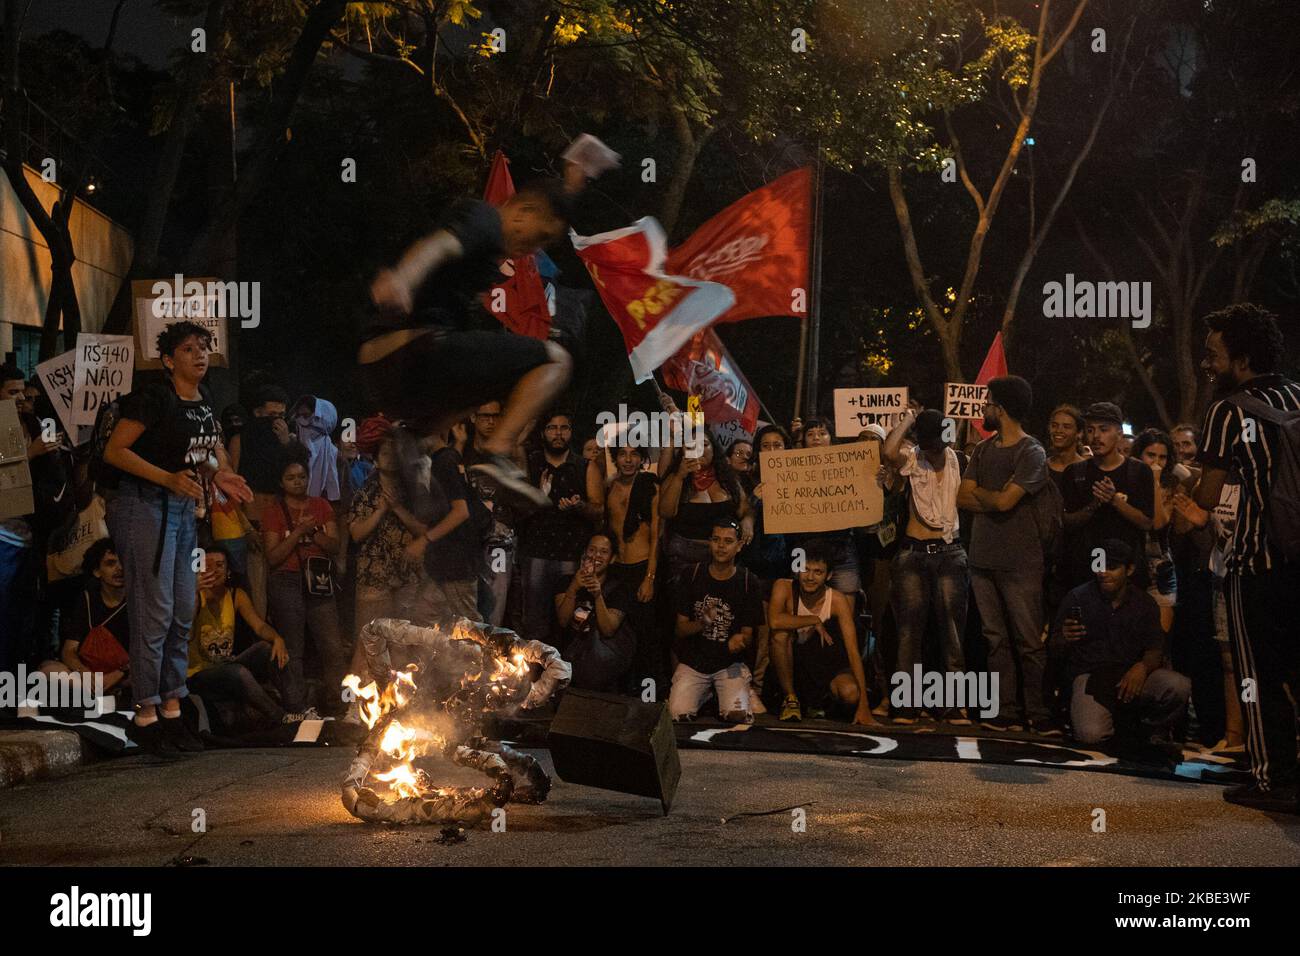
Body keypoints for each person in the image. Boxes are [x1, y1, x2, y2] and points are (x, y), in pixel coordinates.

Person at [363, 136, 617, 509]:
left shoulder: (491, 248)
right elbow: (441, 244)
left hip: (386, 372)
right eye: (540, 236)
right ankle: (495, 450)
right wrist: (404, 277)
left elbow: (545, 206)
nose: (535, 249)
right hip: (413, 350)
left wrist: (571, 182)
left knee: (497, 376)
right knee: (558, 360)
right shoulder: (484, 219)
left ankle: (413, 436)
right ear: (521, 212)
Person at [104, 321, 252, 756]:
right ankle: (146, 715)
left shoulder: (203, 399)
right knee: (156, 611)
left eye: (204, 347)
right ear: (169, 360)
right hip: (144, 507)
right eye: (188, 349)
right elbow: (116, 451)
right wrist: (168, 478)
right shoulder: (153, 397)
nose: (199, 355)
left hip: (184, 510)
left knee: (183, 609)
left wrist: (220, 473)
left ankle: (173, 705)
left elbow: (203, 451)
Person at [1191, 303, 1300, 811]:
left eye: (1214, 354)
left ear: (1242, 356)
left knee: (1256, 676)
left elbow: (1210, 494)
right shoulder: (1297, 396)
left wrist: (1183, 480)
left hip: (1257, 563)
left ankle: (1270, 778)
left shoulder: (1227, 409)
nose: (1207, 364)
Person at [957, 376, 1054, 734]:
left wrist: (986, 495)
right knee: (995, 639)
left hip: (1020, 563)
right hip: (982, 560)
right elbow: (961, 497)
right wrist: (992, 497)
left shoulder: (1031, 452)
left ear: (1002, 408)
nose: (984, 409)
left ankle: (1039, 714)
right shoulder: (983, 450)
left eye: (988, 402)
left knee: (1028, 641)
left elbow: (1005, 501)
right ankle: (1005, 711)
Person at [1053, 539, 1190, 750]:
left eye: (1112, 567)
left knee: (1177, 685)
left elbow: (1155, 648)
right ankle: (1114, 726)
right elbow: (1053, 647)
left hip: (1130, 676)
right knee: (1090, 735)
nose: (1103, 573)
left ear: (1130, 569)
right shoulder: (1078, 597)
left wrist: (1142, 667)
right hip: (1092, 676)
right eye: (1099, 566)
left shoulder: (1144, 603)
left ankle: (1153, 729)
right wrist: (1064, 636)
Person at [881, 408, 969, 724]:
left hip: (950, 551)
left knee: (952, 631)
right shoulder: (911, 458)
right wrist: (908, 418)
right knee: (909, 632)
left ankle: (954, 704)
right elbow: (888, 451)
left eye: (940, 444)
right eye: (931, 445)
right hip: (913, 553)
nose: (936, 451)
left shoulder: (960, 459)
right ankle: (906, 705)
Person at [262, 449, 347, 718]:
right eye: (291, 478)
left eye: (302, 476)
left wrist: (312, 533)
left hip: (318, 577)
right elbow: (273, 556)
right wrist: (298, 531)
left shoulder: (321, 506)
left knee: (332, 645)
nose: (298, 482)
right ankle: (296, 707)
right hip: (286, 579)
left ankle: (339, 703)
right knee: (293, 647)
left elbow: (334, 545)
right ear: (281, 482)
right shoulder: (274, 512)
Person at [188, 546, 293, 728]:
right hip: (198, 674)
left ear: (228, 571)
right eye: (207, 565)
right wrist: (192, 595)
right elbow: (185, 636)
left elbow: (259, 626)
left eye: (220, 565)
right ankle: (281, 718)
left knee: (267, 649)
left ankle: (297, 708)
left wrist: (278, 638)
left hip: (225, 664)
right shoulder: (193, 596)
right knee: (237, 672)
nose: (213, 570)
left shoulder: (236, 595)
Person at [669, 520, 764, 723]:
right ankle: (708, 695)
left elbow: (749, 634)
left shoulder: (748, 581)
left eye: (728, 541)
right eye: (716, 540)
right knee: (677, 715)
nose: (721, 546)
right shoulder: (691, 574)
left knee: (736, 716)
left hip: (729, 664)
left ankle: (727, 694)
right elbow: (680, 630)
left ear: (739, 546)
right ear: (709, 543)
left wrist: (740, 641)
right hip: (695, 663)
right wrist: (702, 623)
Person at [768, 544, 874, 725]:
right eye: (805, 570)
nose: (810, 577)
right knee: (780, 635)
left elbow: (853, 651)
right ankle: (790, 698)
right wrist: (813, 620)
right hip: (793, 668)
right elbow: (775, 621)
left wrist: (863, 705)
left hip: (824, 667)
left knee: (850, 693)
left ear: (829, 575)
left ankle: (822, 705)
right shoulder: (783, 587)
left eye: (818, 572)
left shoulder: (837, 600)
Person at [585, 443, 660, 688]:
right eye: (623, 454)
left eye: (634, 454)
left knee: (647, 635)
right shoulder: (610, 486)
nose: (628, 460)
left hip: (642, 566)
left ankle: (649, 692)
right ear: (615, 458)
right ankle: (620, 688)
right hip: (618, 568)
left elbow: (657, 536)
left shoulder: (650, 486)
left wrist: (649, 577)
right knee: (618, 633)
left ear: (642, 459)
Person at [1059, 402, 1155, 593]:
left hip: (1127, 571)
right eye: (1090, 430)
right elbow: (1066, 522)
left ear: (1119, 433)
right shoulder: (1075, 473)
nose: (1096, 436)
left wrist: (1114, 501)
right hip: (1086, 571)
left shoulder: (1138, 471)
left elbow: (1147, 522)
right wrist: (1094, 505)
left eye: (1104, 430)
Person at [516, 412, 590, 642]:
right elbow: (517, 508)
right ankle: (532, 674)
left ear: (571, 432)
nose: (558, 433)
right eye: (551, 428)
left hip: (570, 554)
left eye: (564, 428)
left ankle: (564, 673)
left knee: (568, 623)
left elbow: (599, 510)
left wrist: (579, 507)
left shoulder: (584, 465)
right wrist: (538, 496)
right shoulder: (531, 461)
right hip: (535, 553)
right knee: (533, 621)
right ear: (542, 433)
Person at [403, 427, 484, 626]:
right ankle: (440, 656)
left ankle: (482, 656)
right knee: (423, 616)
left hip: (455, 562)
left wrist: (424, 540)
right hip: (444, 561)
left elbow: (460, 512)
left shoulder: (444, 462)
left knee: (469, 627)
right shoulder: (446, 458)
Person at [348, 425, 423, 634]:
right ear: (376, 459)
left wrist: (398, 509)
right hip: (373, 578)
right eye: (385, 454)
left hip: (407, 577)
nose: (390, 458)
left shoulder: (412, 492)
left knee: (405, 643)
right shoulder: (365, 493)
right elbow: (356, 534)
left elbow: (424, 531)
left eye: (394, 454)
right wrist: (380, 511)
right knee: (370, 641)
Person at [229, 383, 294, 616]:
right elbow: (231, 487)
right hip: (253, 525)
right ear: (258, 413)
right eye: (271, 415)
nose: (276, 421)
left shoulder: (284, 441)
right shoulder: (240, 441)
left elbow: (298, 477)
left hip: (280, 528)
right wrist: (246, 527)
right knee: (257, 593)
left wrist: (286, 442)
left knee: (283, 591)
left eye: (281, 416)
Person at [659, 432, 752, 584]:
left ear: (714, 449)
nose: (699, 450)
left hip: (723, 558)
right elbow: (666, 512)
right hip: (684, 559)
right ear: (683, 451)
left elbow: (745, 510)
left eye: (705, 445)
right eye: (692, 446)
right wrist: (679, 476)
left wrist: (748, 520)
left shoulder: (728, 479)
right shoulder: (675, 477)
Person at [45, 539, 131, 703]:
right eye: (110, 563)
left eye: (124, 563)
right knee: (48, 670)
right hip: (92, 674)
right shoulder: (87, 598)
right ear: (97, 571)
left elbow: (148, 652)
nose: (119, 569)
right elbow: (69, 650)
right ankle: (101, 693)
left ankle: (106, 693)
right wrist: (84, 672)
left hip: (125, 674)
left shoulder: (137, 602)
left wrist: (120, 673)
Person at [555, 531, 636, 692]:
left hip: (602, 663)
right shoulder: (566, 581)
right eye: (592, 550)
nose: (596, 556)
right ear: (584, 553)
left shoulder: (619, 589)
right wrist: (574, 587)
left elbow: (608, 629)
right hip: (572, 660)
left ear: (612, 558)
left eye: (604, 552)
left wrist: (598, 596)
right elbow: (563, 621)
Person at [786, 418, 859, 595]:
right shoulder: (790, 470)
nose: (816, 438)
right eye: (810, 434)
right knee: (800, 598)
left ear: (831, 438)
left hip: (840, 547)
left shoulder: (847, 467)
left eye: (822, 433)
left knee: (846, 595)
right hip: (803, 547)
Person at [462, 401, 518, 626]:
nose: (491, 421)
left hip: (499, 544)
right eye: (485, 416)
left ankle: (490, 657)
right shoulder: (462, 453)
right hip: (469, 543)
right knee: (466, 605)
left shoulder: (509, 456)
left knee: (495, 606)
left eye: (496, 416)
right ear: (474, 417)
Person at [1132, 428, 1185, 632]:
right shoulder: (1128, 478)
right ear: (1139, 454)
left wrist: (1154, 481)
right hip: (1133, 563)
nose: (1157, 462)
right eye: (1151, 455)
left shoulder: (1170, 485)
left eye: (1162, 457)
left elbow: (1159, 523)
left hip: (1159, 566)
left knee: (1161, 634)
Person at [1046, 404, 1086, 488]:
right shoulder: (1041, 468)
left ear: (1079, 433)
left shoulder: (1087, 470)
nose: (1059, 430)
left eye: (1066, 427)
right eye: (1054, 426)